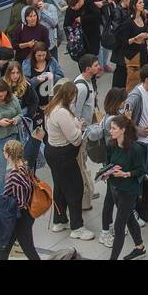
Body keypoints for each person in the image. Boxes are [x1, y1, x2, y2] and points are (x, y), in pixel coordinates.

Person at [44, 80, 91, 239]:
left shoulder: (52, 107)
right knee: (75, 188)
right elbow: (75, 139)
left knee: (60, 187)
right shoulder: (61, 112)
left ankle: (60, 220)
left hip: (53, 152)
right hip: (64, 154)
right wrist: (79, 127)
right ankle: (77, 227)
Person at [100, 115, 148, 260]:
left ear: (123, 130)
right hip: (115, 188)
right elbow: (109, 164)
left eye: (114, 128)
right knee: (129, 219)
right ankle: (139, 247)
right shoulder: (111, 145)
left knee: (119, 227)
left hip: (128, 191)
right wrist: (106, 174)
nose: (110, 131)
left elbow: (141, 170)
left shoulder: (135, 149)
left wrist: (125, 174)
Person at [0, 139, 41, 261]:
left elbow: (19, 202)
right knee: (4, 250)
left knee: (29, 250)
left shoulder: (14, 175)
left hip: (20, 218)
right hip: (22, 216)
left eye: (4, 150)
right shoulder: (25, 168)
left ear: (8, 154)